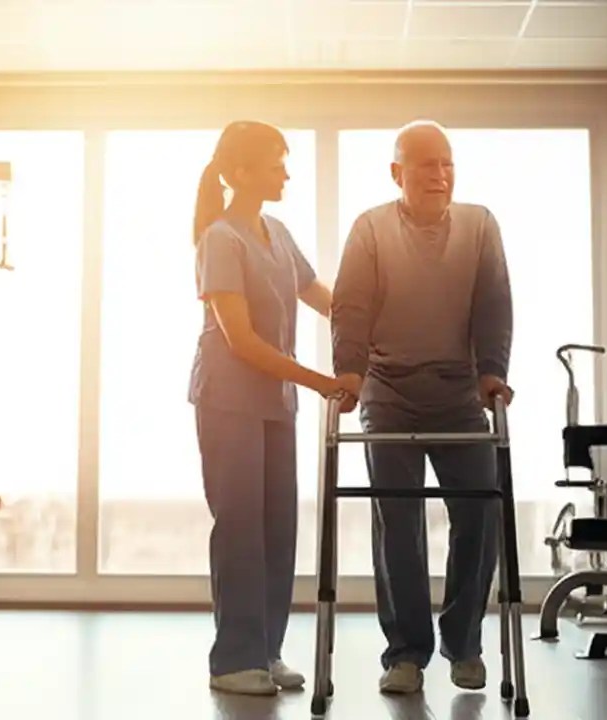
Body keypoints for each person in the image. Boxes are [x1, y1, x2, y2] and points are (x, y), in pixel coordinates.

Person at [329, 119, 515, 695]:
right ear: (397, 173)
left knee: (479, 514)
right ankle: (406, 653)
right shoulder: (371, 228)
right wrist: (350, 375)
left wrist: (493, 374)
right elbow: (351, 305)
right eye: (426, 164)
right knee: (398, 524)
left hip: (460, 391)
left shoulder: (480, 224)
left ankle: (464, 643)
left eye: (447, 163)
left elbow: (493, 302)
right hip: (388, 390)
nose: (439, 174)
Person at [189, 120, 360, 696]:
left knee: (277, 527)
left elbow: (321, 298)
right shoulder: (220, 238)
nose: (285, 173)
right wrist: (321, 382)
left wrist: (375, 329)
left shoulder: (277, 232)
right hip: (228, 400)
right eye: (274, 164)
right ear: (239, 172)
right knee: (240, 527)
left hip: (274, 401)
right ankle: (233, 660)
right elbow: (240, 341)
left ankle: (267, 650)